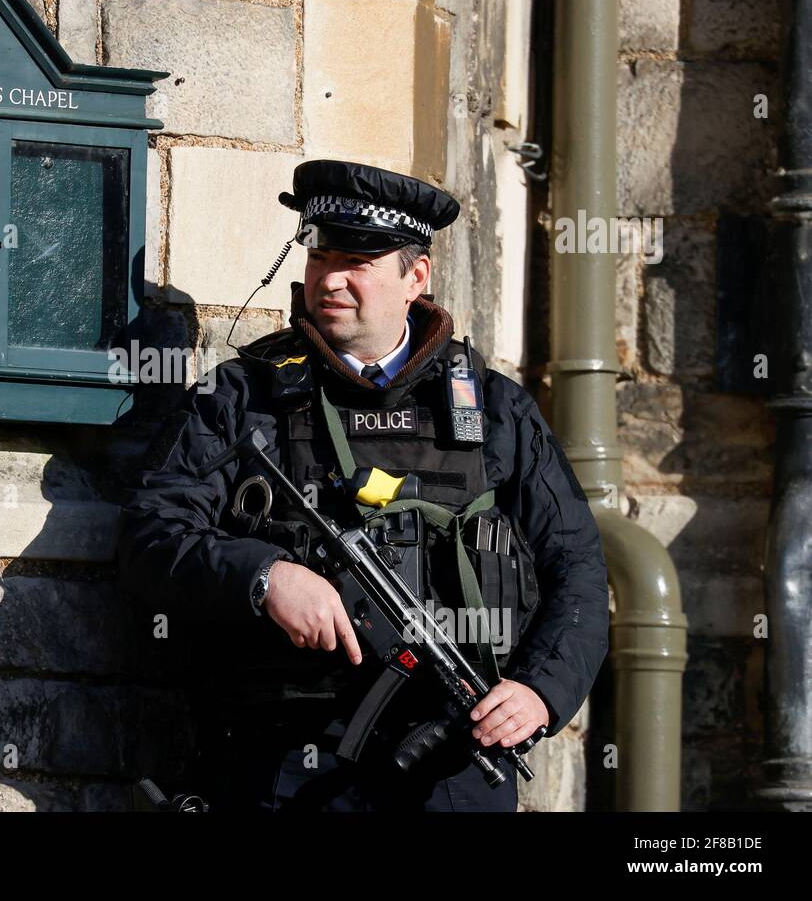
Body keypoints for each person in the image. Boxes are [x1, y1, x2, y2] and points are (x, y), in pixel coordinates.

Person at [115, 159, 611, 812]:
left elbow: (577, 568)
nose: (332, 278)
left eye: (360, 262)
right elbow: (150, 534)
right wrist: (265, 578)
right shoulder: (243, 397)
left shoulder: (493, 411)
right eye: (323, 255)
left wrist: (539, 691)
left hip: (451, 764)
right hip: (287, 762)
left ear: (416, 278)